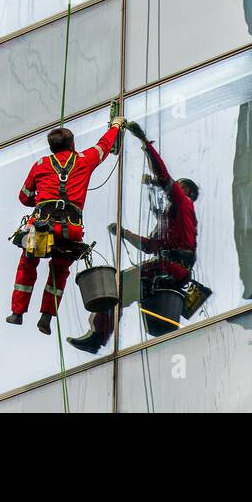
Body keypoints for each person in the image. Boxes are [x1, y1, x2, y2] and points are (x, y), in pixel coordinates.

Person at [68, 122, 200, 354]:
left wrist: (144, 142)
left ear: (185, 191)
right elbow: (150, 246)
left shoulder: (183, 203)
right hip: (169, 268)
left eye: (179, 187)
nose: (172, 191)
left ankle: (97, 337)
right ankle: (97, 337)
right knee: (119, 288)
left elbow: (163, 174)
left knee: (116, 287)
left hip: (171, 269)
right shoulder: (173, 220)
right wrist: (124, 233)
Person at [8, 115, 124, 335]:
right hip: (69, 230)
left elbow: (24, 197)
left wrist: (42, 199)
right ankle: (46, 317)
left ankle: (17, 313)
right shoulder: (84, 159)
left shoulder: (40, 165)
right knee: (59, 271)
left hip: (42, 228)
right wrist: (116, 125)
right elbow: (104, 146)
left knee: (27, 264)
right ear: (72, 145)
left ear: (51, 148)